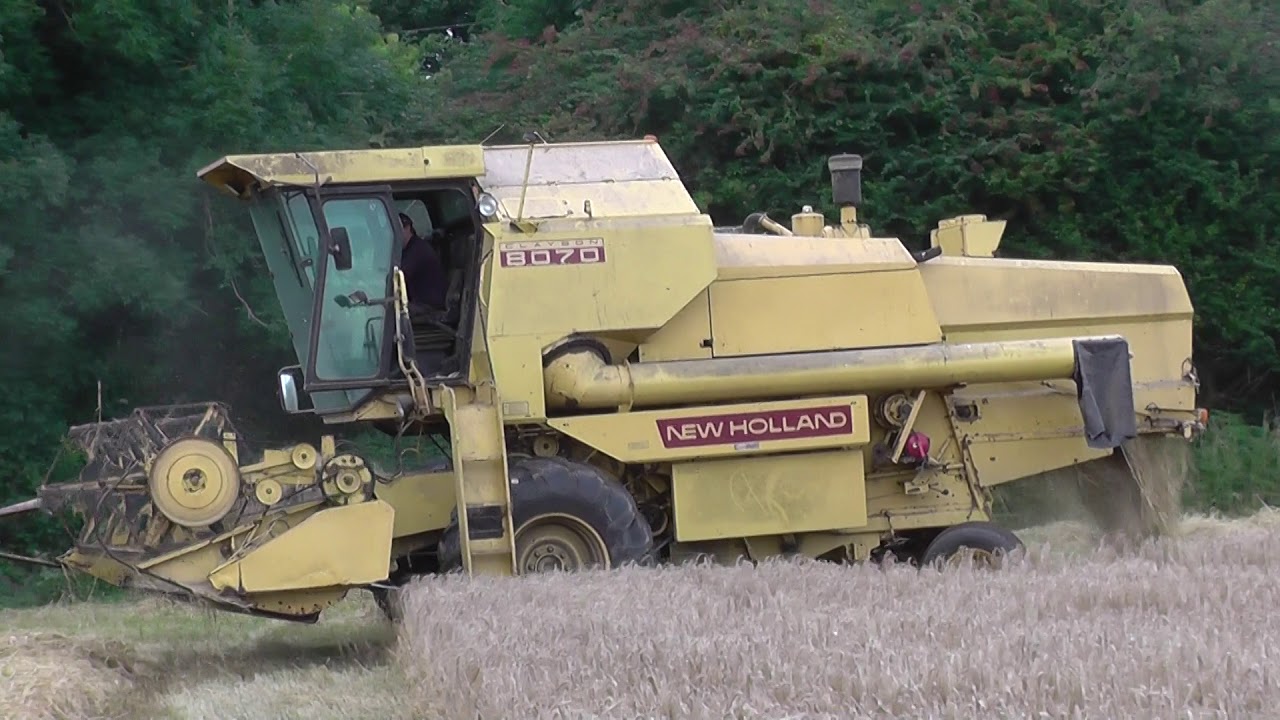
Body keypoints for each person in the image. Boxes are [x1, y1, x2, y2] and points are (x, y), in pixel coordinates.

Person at [397, 212, 447, 311]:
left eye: (397, 230)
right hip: (419, 301)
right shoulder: (409, 249)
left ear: (407, 228)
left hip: (428, 304)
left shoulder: (417, 249)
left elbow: (400, 277)